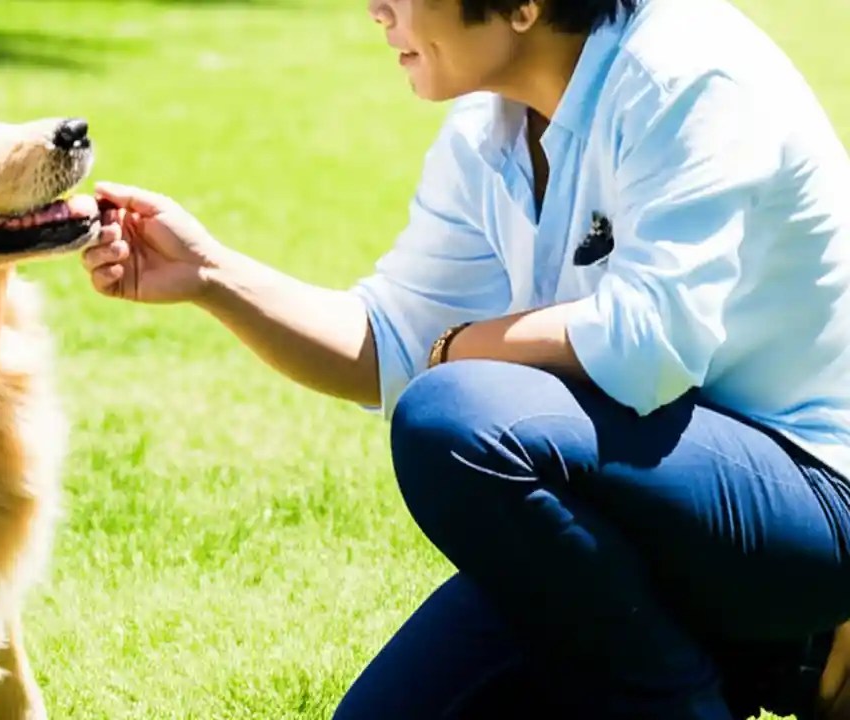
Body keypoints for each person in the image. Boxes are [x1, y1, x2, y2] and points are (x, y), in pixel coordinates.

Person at [80, 0, 850, 717]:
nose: (377, 8)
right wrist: (212, 275)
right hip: (644, 501)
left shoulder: (685, 72)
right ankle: (774, 660)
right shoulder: (490, 125)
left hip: (810, 502)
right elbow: (387, 341)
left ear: (524, 4)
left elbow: (652, 343)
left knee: (458, 418)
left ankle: (726, 674)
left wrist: (455, 350)